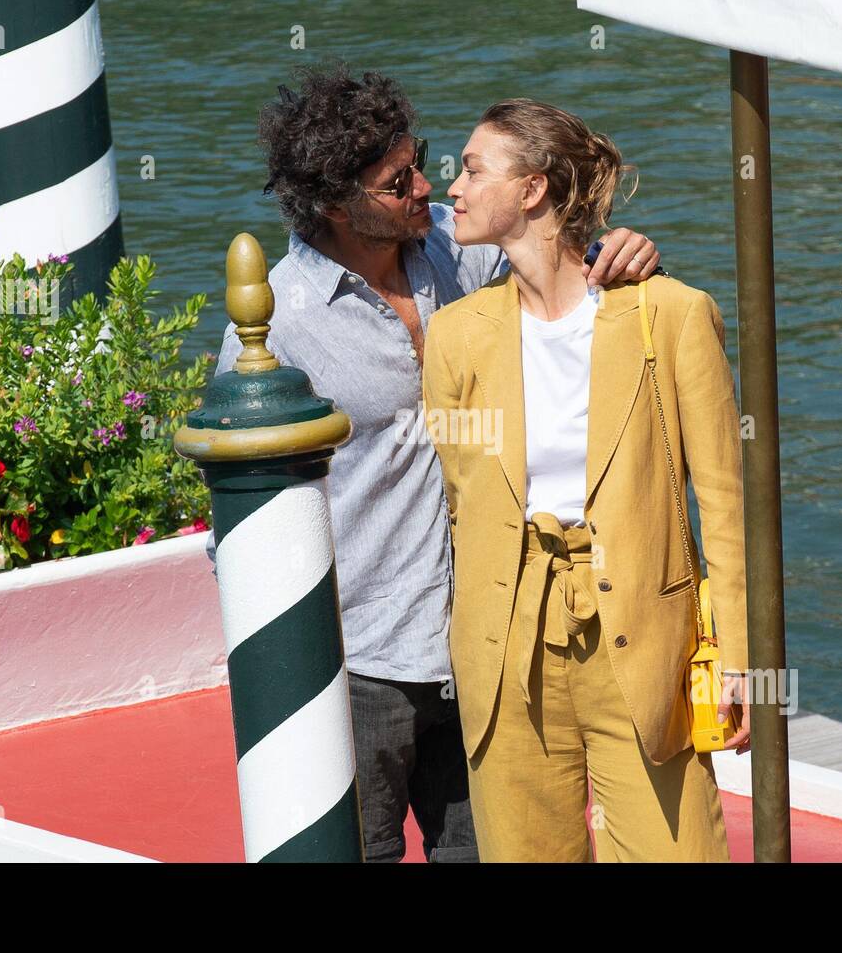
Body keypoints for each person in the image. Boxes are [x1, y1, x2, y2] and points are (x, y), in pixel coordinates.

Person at [208, 64, 662, 863]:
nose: (426, 187)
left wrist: (617, 253)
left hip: (482, 641)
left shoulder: (458, 252)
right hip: (362, 667)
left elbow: (556, 267)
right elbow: (239, 523)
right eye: (397, 181)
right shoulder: (280, 326)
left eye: (417, 160)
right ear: (334, 203)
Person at [421, 98, 752, 862]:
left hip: (647, 644)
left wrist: (736, 657)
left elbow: (728, 509)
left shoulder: (669, 315)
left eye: (473, 169)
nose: (455, 190)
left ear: (533, 188)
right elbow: (461, 504)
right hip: (507, 646)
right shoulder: (457, 335)